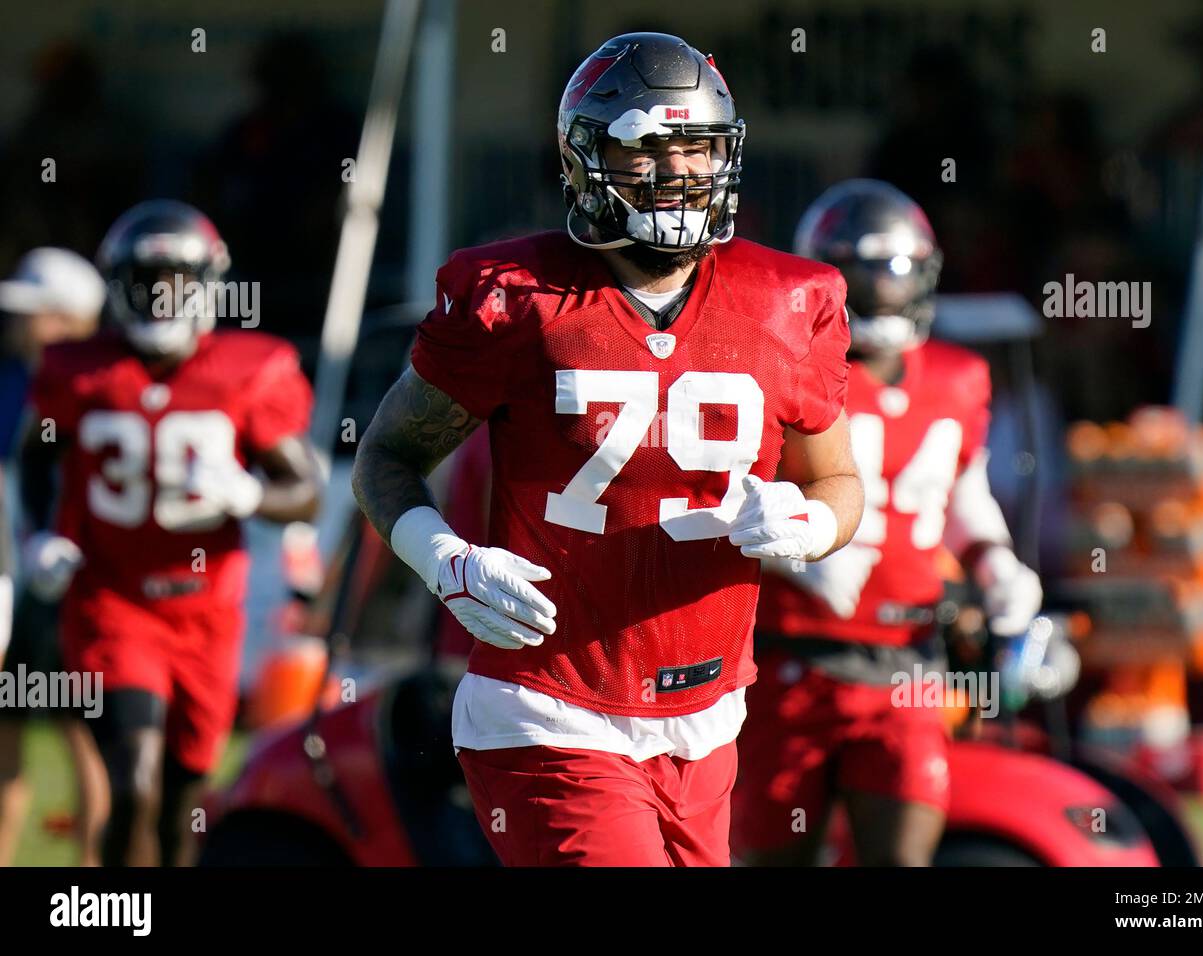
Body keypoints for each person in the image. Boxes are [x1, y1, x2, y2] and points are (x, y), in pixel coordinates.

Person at [352, 32, 863, 866]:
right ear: (588, 162)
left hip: (706, 712)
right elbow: (385, 459)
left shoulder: (785, 301)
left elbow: (842, 481)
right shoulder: (517, 300)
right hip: (550, 704)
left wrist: (808, 524)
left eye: (697, 150)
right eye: (647, 152)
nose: (678, 176)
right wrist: (445, 557)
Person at [730, 180, 1043, 866]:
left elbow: (962, 496)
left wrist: (996, 562)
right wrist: (800, 548)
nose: (884, 292)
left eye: (897, 272)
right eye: (865, 274)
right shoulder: (782, 372)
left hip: (906, 663)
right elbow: (721, 499)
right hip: (791, 659)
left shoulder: (958, 377)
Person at [18, 201, 321, 865]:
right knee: (135, 780)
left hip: (207, 609)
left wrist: (248, 492)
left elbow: (306, 494)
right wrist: (39, 533)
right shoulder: (79, 369)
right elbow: (39, 455)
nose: (162, 296)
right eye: (146, 279)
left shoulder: (251, 367)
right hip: (114, 599)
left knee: (183, 798)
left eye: (177, 280)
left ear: (209, 283)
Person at [0, 248, 109, 866]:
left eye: (32, 314)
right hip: (32, 590)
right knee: (7, 741)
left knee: (85, 744)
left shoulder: (91, 388)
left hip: (79, 596)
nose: (18, 326)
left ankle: (93, 888)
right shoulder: (24, 380)